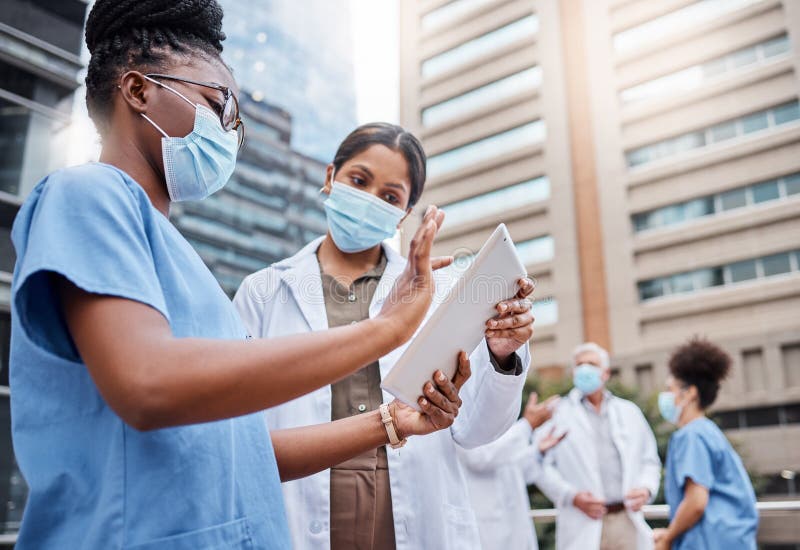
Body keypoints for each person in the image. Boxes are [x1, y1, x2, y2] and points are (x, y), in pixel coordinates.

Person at [8, 2, 471, 548]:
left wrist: (392, 423)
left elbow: (247, 451)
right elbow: (148, 384)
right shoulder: (87, 194)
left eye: (234, 122)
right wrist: (388, 328)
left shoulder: (181, 261)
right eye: (215, 104)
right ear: (137, 91)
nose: (229, 132)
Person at [234, 122, 537, 550]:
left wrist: (503, 355)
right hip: (300, 515)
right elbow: (240, 427)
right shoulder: (265, 292)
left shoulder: (438, 291)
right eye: (358, 180)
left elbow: (474, 430)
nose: (369, 200)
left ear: (404, 214)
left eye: (390, 196)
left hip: (413, 519)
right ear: (329, 178)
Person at [532, 342, 661, 550]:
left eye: (591, 364)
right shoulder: (556, 413)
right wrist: (570, 495)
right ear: (573, 372)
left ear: (606, 373)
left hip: (625, 519)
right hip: (581, 519)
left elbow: (649, 460)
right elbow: (539, 465)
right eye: (580, 364)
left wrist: (646, 488)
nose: (585, 369)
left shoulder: (629, 412)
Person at [653, 337, 758, 550]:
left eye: (670, 389)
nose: (666, 396)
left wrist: (668, 537)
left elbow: (696, 502)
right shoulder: (708, 431)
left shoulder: (690, 436)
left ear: (689, 393)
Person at [457, 392, 567, 550]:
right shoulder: (461, 415)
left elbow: (518, 469)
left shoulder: (500, 424)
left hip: (514, 528)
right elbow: (480, 457)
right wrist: (527, 425)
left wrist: (538, 451)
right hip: (488, 532)